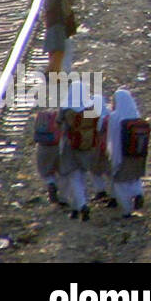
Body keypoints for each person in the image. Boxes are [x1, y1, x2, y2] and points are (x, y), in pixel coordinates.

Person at [103, 88, 146, 217]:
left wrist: (110, 154)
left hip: (121, 153)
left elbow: (112, 138)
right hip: (137, 154)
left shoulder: (114, 116)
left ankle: (127, 211)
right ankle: (138, 194)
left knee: (120, 182)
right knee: (134, 177)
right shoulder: (136, 115)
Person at [56, 80, 95, 221]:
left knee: (73, 178)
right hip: (86, 146)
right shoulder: (90, 107)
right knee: (82, 178)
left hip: (70, 147)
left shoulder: (66, 107)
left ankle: (82, 205)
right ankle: (75, 208)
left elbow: (58, 123)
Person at [42, 0, 77, 76]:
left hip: (51, 24)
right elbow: (66, 11)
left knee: (54, 50)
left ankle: (52, 72)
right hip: (59, 25)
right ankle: (51, 73)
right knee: (59, 50)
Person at [33, 107, 61, 205]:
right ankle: (63, 194)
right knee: (60, 169)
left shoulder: (41, 117)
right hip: (58, 146)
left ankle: (51, 184)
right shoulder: (59, 115)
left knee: (44, 171)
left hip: (43, 146)